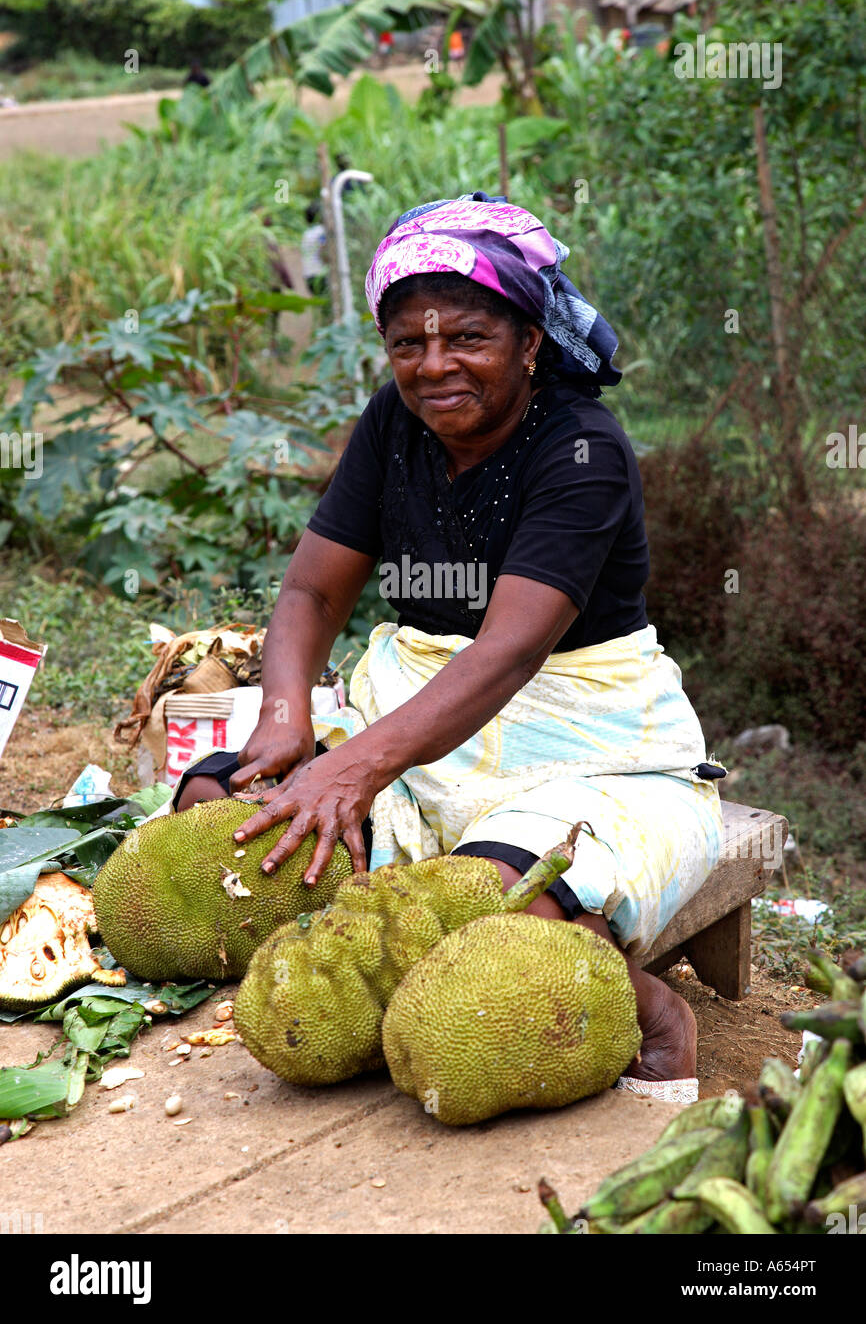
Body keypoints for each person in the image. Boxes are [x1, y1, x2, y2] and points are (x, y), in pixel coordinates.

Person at [175, 192, 726, 1100]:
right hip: (414, 717)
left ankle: (646, 1008)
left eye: (466, 338)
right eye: (408, 345)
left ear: (529, 341)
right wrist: (284, 721)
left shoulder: (582, 449)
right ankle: (405, 975)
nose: (434, 367)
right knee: (217, 804)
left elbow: (507, 653)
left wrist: (351, 770)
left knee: (485, 902)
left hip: (588, 750)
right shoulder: (395, 424)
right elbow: (315, 587)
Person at [300, 201, 328, 298]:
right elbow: (323, 251)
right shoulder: (321, 231)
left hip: (309, 275)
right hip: (320, 275)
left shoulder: (306, 234)